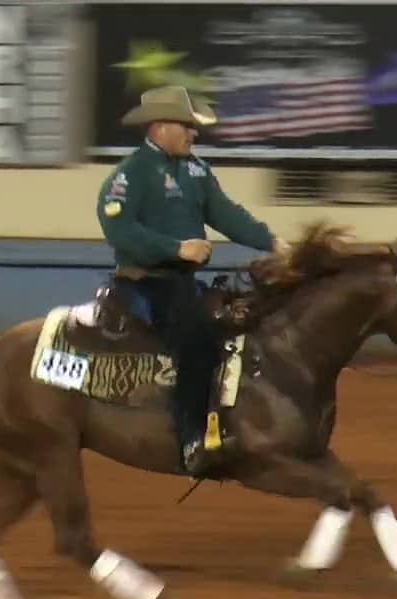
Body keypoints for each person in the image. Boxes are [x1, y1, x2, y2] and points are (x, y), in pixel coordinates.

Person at [95, 85, 290, 477]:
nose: (193, 133)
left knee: (241, 322)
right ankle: (190, 440)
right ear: (160, 127)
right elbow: (118, 229)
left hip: (184, 284)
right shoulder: (129, 176)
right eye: (186, 126)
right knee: (199, 339)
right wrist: (176, 249)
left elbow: (226, 214)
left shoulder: (196, 170)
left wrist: (271, 241)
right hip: (148, 282)